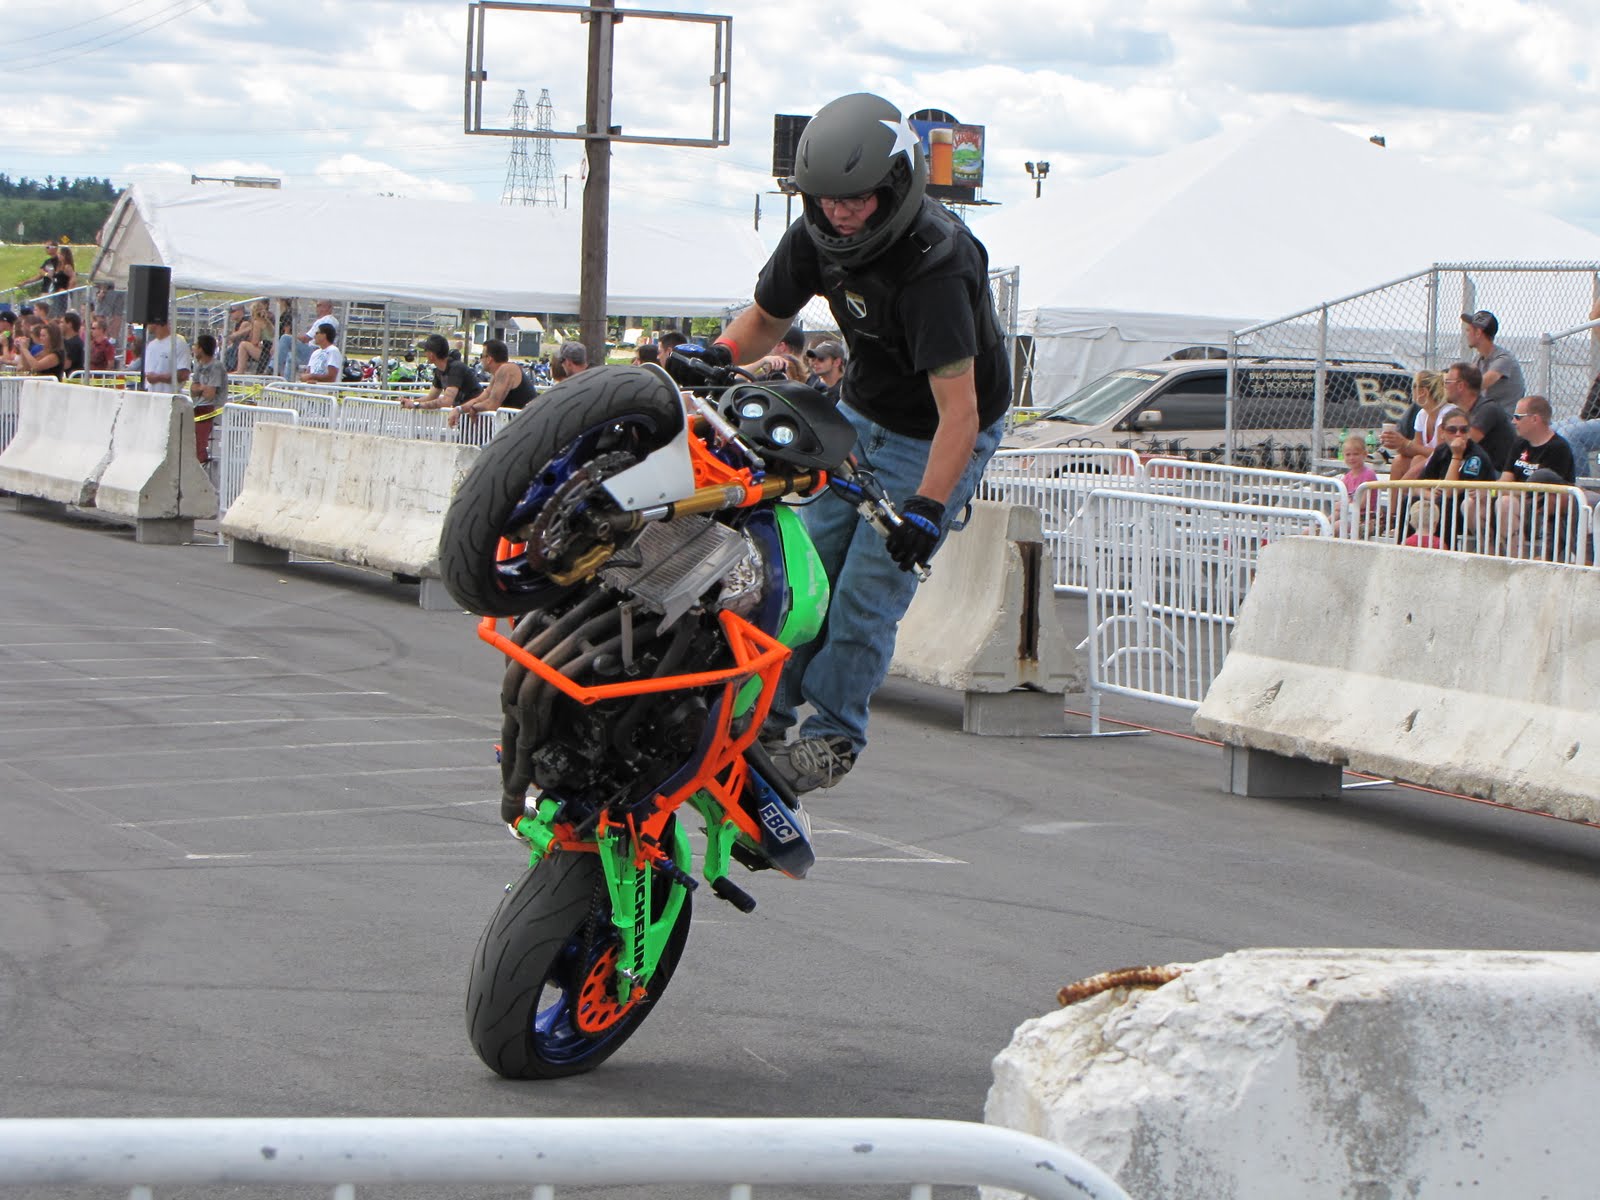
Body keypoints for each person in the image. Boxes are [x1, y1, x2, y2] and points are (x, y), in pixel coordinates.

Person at [703, 91, 1010, 794]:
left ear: (897, 186)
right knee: (803, 574)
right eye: (825, 198)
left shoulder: (937, 263)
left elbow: (958, 413)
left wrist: (928, 508)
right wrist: (714, 356)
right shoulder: (815, 233)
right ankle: (761, 722)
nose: (838, 212)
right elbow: (765, 318)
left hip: (934, 432)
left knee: (868, 594)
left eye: (857, 199)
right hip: (860, 413)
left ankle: (833, 738)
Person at [1497, 396, 1578, 558]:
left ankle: (1516, 559)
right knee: (1472, 503)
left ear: (1535, 419)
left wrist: (1512, 492)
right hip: (1520, 504)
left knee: (1506, 502)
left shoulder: (1558, 448)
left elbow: (1548, 496)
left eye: (1518, 417)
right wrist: (1493, 492)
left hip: (1540, 512)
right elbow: (1505, 482)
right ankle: (1491, 554)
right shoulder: (1519, 444)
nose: (1513, 422)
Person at [1552, 297, 1600, 478]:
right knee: (1549, 429)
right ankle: (1550, 486)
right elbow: (1595, 318)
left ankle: (1582, 490)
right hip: (1588, 417)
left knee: (1570, 434)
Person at [1381, 370, 1454, 481]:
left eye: (1414, 387)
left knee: (1418, 459)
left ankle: (1409, 494)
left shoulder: (1446, 414)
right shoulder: (1422, 414)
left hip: (1446, 464)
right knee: (1399, 461)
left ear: (1423, 391)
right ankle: (1397, 498)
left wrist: (1406, 443)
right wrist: (1398, 445)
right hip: (1429, 462)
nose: (1412, 392)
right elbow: (1417, 449)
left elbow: (1441, 454)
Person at [1442, 360, 1513, 473]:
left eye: (1447, 382)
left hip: (1495, 475)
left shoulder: (1487, 410)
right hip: (1474, 468)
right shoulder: (1458, 412)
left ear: (1460, 386)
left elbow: (1462, 445)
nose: (1444, 387)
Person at [449, 338, 535, 426]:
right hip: (524, 423)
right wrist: (458, 409)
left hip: (532, 423)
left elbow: (492, 404)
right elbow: (480, 399)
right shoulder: (498, 374)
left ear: (489, 359)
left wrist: (474, 408)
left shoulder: (506, 370)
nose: (480, 360)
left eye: (481, 356)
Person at [1462, 310, 1525, 413]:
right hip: (1489, 415)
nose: (1466, 334)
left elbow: (1480, 383)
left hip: (1506, 421)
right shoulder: (1478, 359)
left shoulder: (1503, 359)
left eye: (1468, 330)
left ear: (1478, 333)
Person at [403, 333, 483, 411]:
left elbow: (446, 401)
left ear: (431, 355)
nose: (424, 353)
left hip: (477, 414)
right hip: (463, 414)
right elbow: (431, 397)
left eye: (425, 350)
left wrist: (417, 405)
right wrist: (412, 402)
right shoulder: (439, 370)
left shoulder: (456, 368)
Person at [189, 333, 228, 467]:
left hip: (211, 409)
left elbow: (210, 394)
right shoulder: (198, 366)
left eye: (196, 346)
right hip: (198, 407)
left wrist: (199, 389)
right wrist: (202, 388)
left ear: (201, 348)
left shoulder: (216, 366)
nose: (193, 349)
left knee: (199, 441)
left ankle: (201, 462)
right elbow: (192, 390)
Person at [139, 317, 191, 394]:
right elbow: (148, 376)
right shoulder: (151, 345)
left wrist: (158, 378)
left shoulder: (179, 343)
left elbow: (183, 375)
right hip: (152, 397)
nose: (147, 325)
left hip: (171, 398)